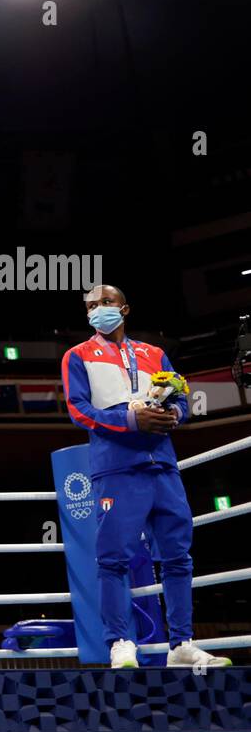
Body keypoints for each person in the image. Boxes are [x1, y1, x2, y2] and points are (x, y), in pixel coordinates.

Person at [62, 284, 231, 669]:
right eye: (91, 305)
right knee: (113, 559)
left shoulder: (154, 353)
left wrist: (174, 415)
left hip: (163, 465)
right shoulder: (78, 355)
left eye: (106, 302)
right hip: (116, 468)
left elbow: (182, 400)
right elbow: (79, 410)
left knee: (177, 557)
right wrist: (130, 419)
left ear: (124, 308)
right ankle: (120, 643)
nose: (98, 309)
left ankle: (181, 644)